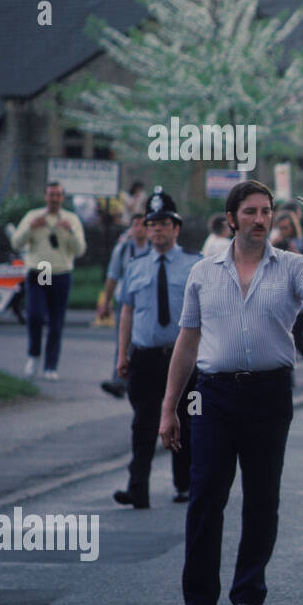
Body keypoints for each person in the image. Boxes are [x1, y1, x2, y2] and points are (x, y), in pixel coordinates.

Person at [160, 180, 303, 605]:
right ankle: (199, 603)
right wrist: (169, 408)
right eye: (251, 212)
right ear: (232, 219)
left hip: (269, 393)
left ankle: (248, 595)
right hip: (213, 395)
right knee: (205, 496)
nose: (261, 220)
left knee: (262, 498)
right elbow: (187, 341)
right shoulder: (204, 272)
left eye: (265, 212)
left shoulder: (293, 266)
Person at [111, 190, 201, 508]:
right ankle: (138, 489)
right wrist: (123, 354)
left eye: (164, 224)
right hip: (146, 358)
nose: (157, 230)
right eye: (152, 225)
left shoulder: (195, 263)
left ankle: (184, 484)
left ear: (176, 228)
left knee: (186, 422)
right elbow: (126, 312)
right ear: (145, 229)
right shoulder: (135, 266)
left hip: (183, 357)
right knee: (143, 424)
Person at [11, 180, 86, 380]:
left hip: (61, 271)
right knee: (35, 316)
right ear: (46, 196)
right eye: (51, 194)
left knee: (56, 321)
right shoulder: (34, 216)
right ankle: (34, 354)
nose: (54, 198)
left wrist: (69, 231)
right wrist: (31, 228)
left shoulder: (71, 219)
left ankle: (50, 366)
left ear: (62, 198)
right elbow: (16, 242)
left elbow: (80, 250)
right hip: (41, 271)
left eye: (58, 195)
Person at [99, 213, 149, 397]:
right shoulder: (123, 249)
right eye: (134, 225)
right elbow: (112, 278)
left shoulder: (155, 249)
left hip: (147, 303)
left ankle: (141, 381)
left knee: (144, 343)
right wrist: (105, 303)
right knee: (123, 342)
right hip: (126, 302)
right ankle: (119, 381)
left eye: (142, 225)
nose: (138, 228)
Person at [271, 210, 303, 384]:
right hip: (281, 295)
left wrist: (295, 253)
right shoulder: (275, 242)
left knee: (295, 336)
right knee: (288, 337)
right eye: (281, 228)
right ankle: (296, 372)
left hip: (300, 298)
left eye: (287, 228)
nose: (285, 231)